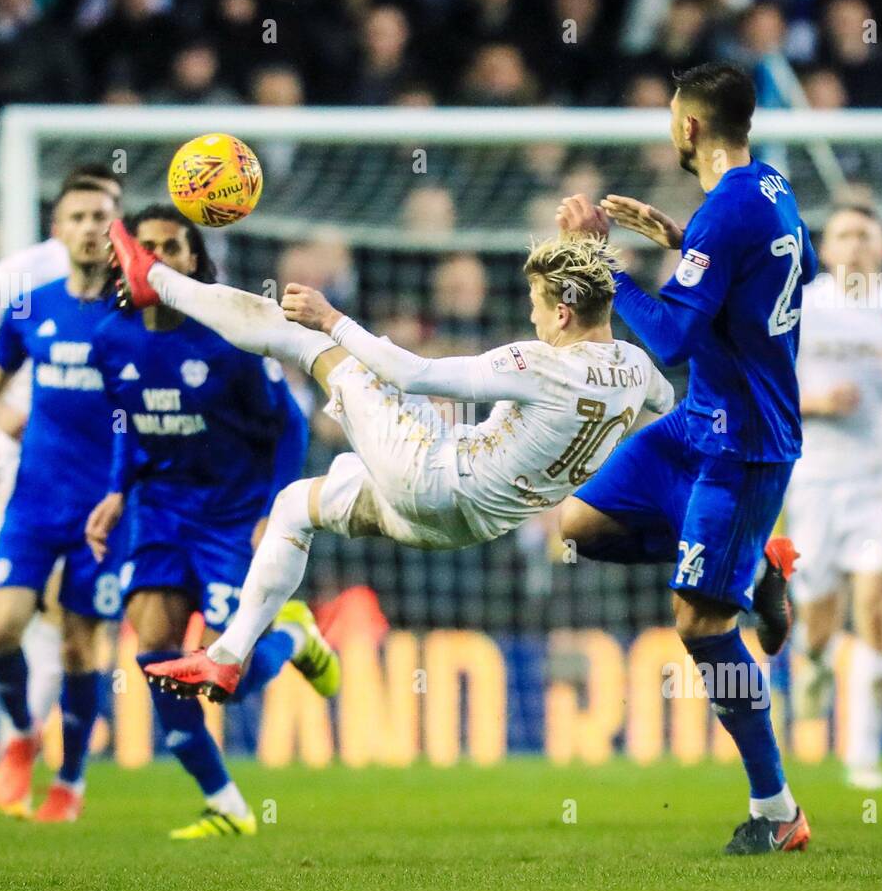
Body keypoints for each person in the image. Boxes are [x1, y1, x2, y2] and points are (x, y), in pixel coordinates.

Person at [103, 225, 673, 710]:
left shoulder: (540, 364)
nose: (532, 315)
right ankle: (227, 656)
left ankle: (151, 278)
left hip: (430, 478)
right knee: (294, 508)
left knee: (299, 339)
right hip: (469, 524)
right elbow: (672, 407)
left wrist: (334, 320)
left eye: (537, 305)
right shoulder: (639, 372)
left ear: (565, 312)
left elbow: (415, 374)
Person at [554, 62, 816, 854]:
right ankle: (754, 567)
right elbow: (752, 278)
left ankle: (778, 812)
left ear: (690, 128)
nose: (670, 127)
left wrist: (604, 262)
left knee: (699, 625)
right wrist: (679, 241)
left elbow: (668, 339)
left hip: (745, 445)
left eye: (673, 115)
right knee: (579, 525)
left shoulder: (727, 215)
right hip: (699, 424)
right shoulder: (766, 188)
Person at [83, 206, 336, 839]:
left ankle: (294, 638)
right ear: (128, 258)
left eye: (174, 247)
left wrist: (275, 513)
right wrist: (117, 492)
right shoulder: (110, 338)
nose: (160, 256)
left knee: (229, 682)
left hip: (231, 517)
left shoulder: (230, 339)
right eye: (148, 246)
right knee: (155, 653)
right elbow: (128, 424)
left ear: (195, 262)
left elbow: (291, 425)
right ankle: (225, 802)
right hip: (160, 512)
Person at [0, 164, 122, 802]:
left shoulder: (136, 309)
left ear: (117, 225)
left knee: (78, 647)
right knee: (1, 627)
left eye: (102, 216)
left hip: (104, 507)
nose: (91, 228)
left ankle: (69, 782)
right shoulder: (30, 302)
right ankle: (18, 731)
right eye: (78, 216)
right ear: (57, 228)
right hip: (32, 499)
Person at [786, 204, 882, 789]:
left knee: (875, 602)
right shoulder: (800, 309)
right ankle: (814, 664)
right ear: (827, 245)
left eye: (864, 236)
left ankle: (863, 755)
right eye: (843, 235)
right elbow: (763, 393)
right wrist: (816, 404)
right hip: (816, 481)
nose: (853, 245)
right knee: (820, 619)